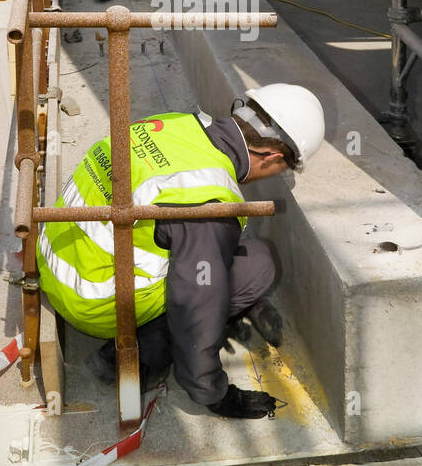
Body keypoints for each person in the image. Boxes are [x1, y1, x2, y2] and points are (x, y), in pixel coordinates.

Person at [37, 84, 325, 419]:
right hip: (92, 301)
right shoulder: (209, 199)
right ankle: (138, 352)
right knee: (257, 264)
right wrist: (215, 394)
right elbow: (196, 309)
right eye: (284, 169)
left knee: (210, 256)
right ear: (274, 157)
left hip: (54, 256)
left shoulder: (176, 123)